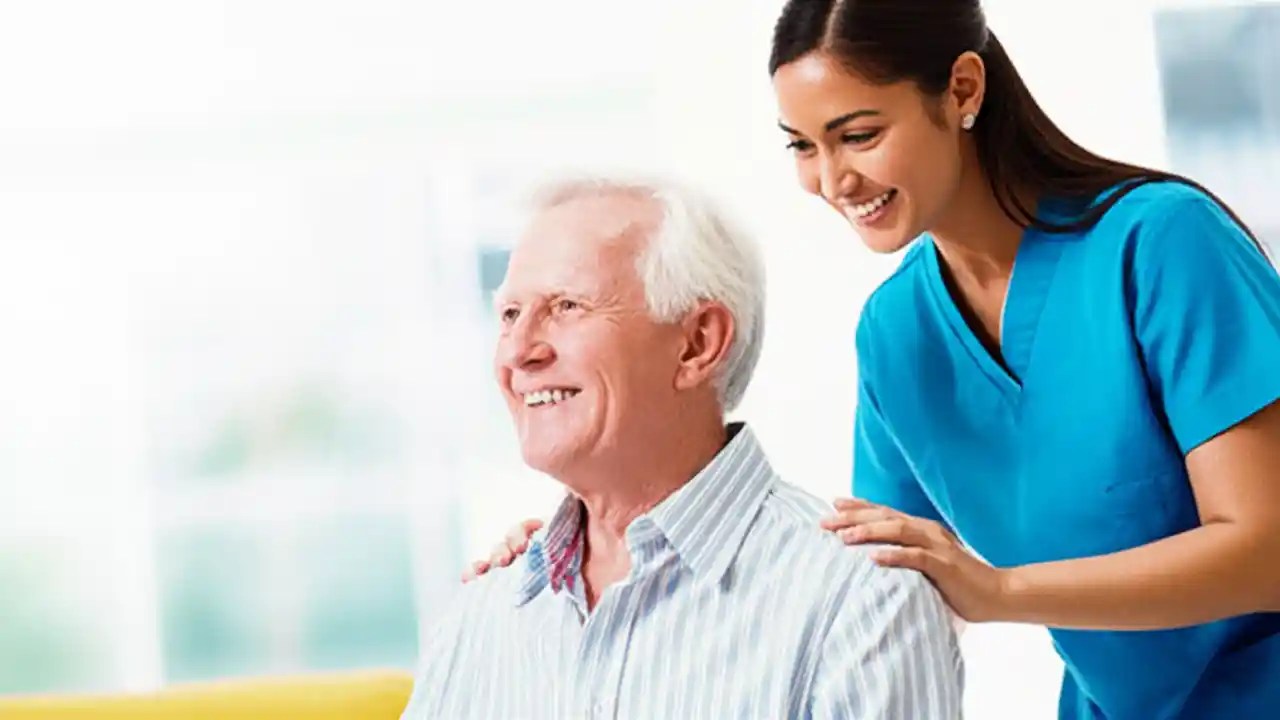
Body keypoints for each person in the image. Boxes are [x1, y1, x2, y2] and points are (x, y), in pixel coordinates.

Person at [464, 1, 1280, 718]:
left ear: (962, 90)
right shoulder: (898, 332)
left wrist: (999, 593)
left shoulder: (1161, 245)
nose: (831, 179)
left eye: (859, 135)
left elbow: (1267, 549)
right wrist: (602, 550)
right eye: (803, 146)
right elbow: (879, 573)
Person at [401, 176, 964, 719]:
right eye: (509, 315)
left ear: (697, 344)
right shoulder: (483, 615)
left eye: (567, 306)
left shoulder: (862, 600)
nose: (519, 351)